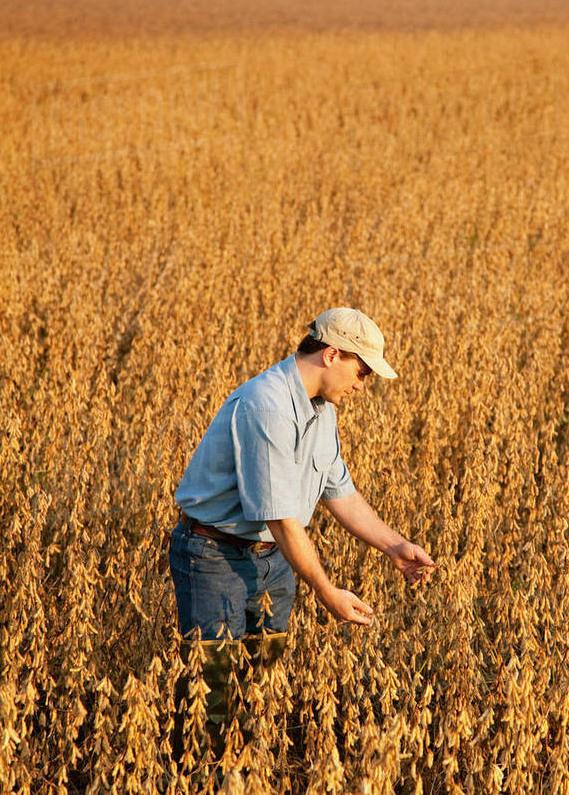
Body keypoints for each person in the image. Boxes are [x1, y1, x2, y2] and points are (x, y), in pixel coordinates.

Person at [168, 306, 435, 761]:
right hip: (214, 557)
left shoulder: (322, 410)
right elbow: (281, 518)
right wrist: (327, 591)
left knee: (260, 689)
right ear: (332, 354)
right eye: (362, 371)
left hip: (274, 562)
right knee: (210, 697)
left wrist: (394, 545)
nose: (362, 385)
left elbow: (341, 493)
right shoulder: (265, 405)